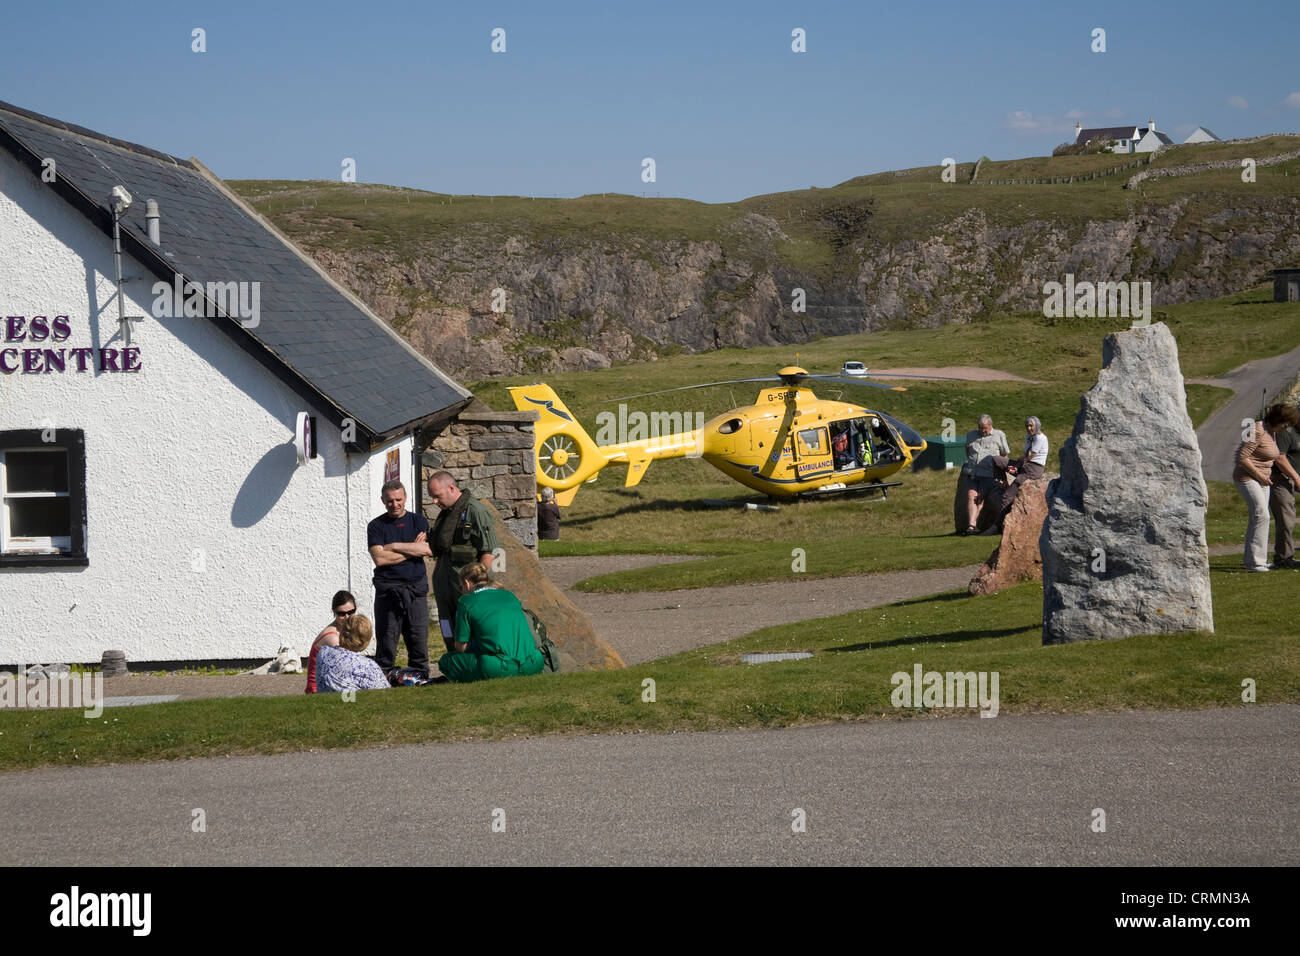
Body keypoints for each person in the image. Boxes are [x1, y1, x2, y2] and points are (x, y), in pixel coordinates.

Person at [427, 470, 500, 652]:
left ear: (451, 488)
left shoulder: (475, 511)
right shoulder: (446, 514)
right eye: (432, 497)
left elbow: (490, 552)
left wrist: (475, 585)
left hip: (466, 588)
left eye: (437, 496)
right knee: (446, 624)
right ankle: (453, 660)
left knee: (469, 629)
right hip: (445, 587)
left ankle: (473, 664)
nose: (434, 502)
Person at [437, 563, 545, 683]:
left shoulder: (466, 601)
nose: (461, 591)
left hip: (499, 668)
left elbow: (460, 647)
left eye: (461, 586)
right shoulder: (509, 595)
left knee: (447, 661)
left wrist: (475, 644)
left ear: (467, 583)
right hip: (534, 663)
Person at [367, 480, 431, 677]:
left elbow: (426, 549)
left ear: (405, 498)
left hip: (415, 589)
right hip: (388, 590)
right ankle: (384, 675)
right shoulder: (376, 526)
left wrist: (393, 545)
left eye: (398, 499)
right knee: (386, 638)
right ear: (382, 500)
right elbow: (379, 558)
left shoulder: (418, 521)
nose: (394, 504)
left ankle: (420, 674)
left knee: (418, 636)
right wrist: (412, 548)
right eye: (389, 501)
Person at [1233, 404, 1300, 572]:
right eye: (1284, 424)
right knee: (1260, 514)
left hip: (1263, 479)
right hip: (1247, 477)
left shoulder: (1272, 433)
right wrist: (1259, 474)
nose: (1285, 428)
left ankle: (1258, 560)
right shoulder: (1256, 429)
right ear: (1277, 419)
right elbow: (1241, 456)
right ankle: (1254, 562)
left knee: (1263, 517)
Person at [986, 416, 1049, 531]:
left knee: (1007, 496)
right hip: (1022, 466)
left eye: (1031, 425)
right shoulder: (1029, 437)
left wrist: (1018, 465)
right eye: (1027, 426)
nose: (1029, 428)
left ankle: (999, 526)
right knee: (996, 460)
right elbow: (1025, 456)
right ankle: (1003, 482)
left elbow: (1031, 455)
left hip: (1031, 470)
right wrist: (1015, 466)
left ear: (1037, 426)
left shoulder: (1040, 438)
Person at [315, 614, 390, 693]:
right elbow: (386, 694)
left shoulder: (323, 653)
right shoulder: (368, 666)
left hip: (326, 702)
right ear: (364, 640)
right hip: (352, 703)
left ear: (342, 631)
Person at [961, 414, 1009, 534]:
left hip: (989, 474)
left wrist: (1003, 473)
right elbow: (967, 450)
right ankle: (971, 526)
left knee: (980, 497)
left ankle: (975, 525)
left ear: (990, 425)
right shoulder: (971, 435)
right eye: (980, 427)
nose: (982, 430)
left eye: (985, 428)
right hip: (972, 473)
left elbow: (1004, 455)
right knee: (971, 495)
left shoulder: (999, 435)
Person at [305, 589, 356, 694]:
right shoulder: (332, 637)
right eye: (341, 613)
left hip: (329, 682)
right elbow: (346, 668)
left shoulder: (346, 630)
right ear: (334, 612)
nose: (347, 617)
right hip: (317, 690)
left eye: (351, 612)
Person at [1269, 406, 1300, 568]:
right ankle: (1283, 558)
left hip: (1293, 480)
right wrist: (1296, 477)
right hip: (1280, 479)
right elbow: (1279, 458)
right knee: (1286, 519)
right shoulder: (1286, 432)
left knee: (1288, 518)